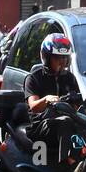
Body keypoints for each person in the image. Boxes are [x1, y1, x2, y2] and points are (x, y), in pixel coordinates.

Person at [21, 32, 79, 160]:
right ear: (46, 57)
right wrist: (46, 99)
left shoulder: (70, 78)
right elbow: (34, 107)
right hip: (40, 124)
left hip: (65, 120)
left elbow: (77, 105)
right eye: (57, 57)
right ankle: (69, 162)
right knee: (65, 122)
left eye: (64, 58)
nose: (61, 61)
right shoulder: (34, 78)